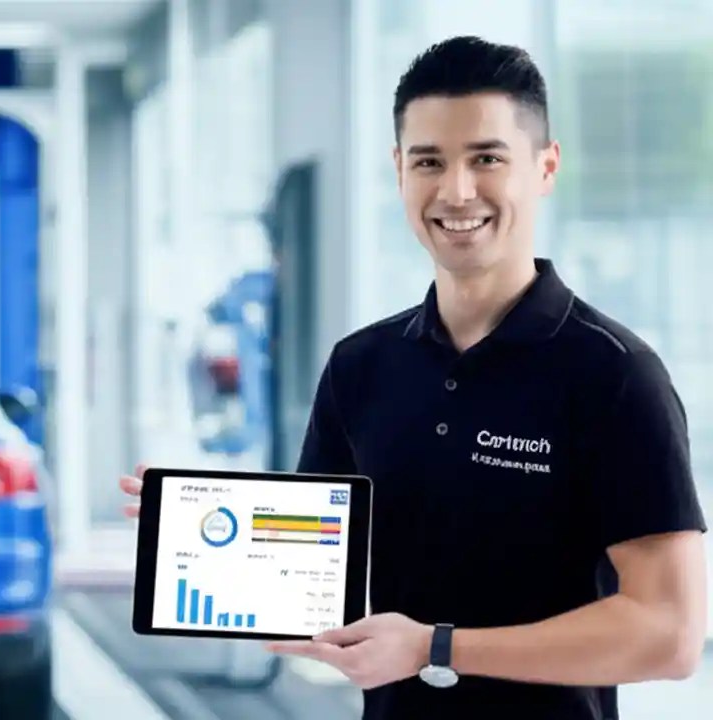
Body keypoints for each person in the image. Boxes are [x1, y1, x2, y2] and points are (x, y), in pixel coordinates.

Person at [119, 35, 707, 720]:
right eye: (429, 162)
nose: (456, 191)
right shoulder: (361, 366)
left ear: (546, 168)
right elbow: (315, 595)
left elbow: (670, 634)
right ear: (399, 170)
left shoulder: (615, 375)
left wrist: (437, 648)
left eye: (486, 158)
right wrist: (200, 544)